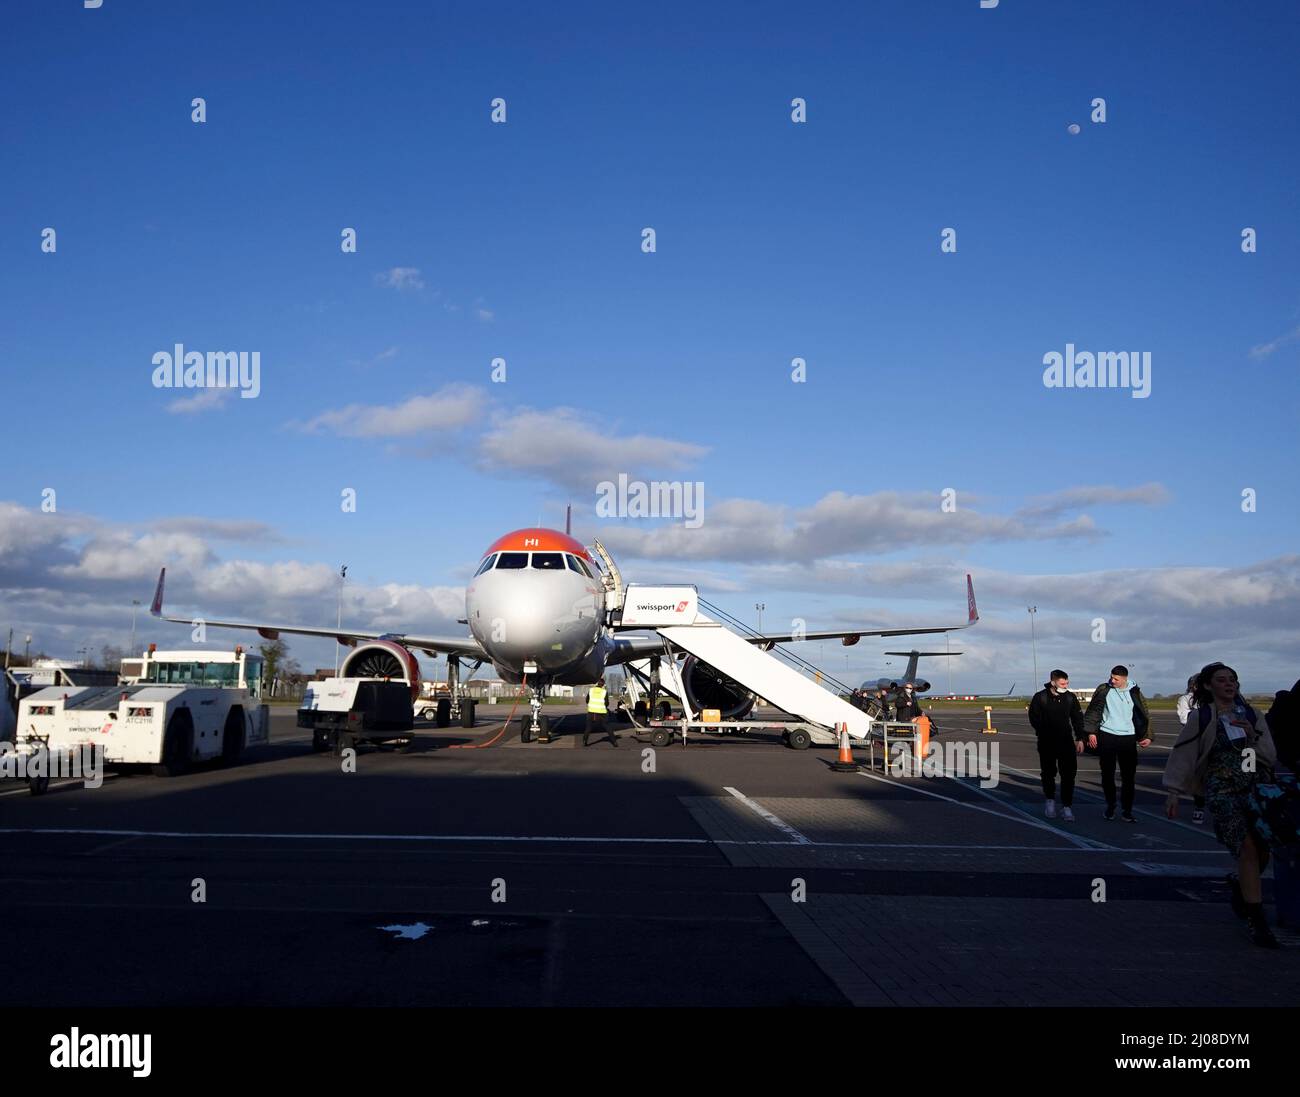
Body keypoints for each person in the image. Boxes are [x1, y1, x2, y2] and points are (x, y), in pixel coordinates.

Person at [1163, 663, 1280, 948]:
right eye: (1222, 680)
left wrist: (1252, 737)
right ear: (1207, 686)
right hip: (1223, 791)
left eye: (1233, 680)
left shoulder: (1253, 714)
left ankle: (1242, 889)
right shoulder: (1202, 717)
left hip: (1256, 790)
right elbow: (1185, 754)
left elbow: (1269, 756)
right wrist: (1174, 791)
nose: (1229, 684)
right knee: (1247, 847)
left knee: (1263, 850)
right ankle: (1257, 918)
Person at [1082, 665, 1152, 822]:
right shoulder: (1104, 689)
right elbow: (1093, 710)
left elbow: (1144, 713)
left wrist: (1147, 735)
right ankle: (1110, 806)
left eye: (1116, 679)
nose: (1112, 681)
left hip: (1128, 737)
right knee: (1107, 774)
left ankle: (1127, 810)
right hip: (1107, 735)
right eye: (1111, 677)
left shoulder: (1135, 691)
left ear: (1125, 679)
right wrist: (1091, 732)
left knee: (1128, 776)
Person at [1028, 670, 1085, 821]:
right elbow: (1034, 718)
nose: (1065, 686)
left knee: (1068, 774)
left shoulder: (1070, 697)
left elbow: (1078, 718)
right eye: (1062, 683)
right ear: (1053, 682)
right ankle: (1050, 801)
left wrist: (1080, 738)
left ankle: (1067, 807)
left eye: (1067, 683)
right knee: (1048, 773)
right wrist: (1044, 730)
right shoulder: (1040, 697)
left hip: (1066, 742)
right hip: (1046, 742)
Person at [1176, 674, 1208, 824]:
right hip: (1196, 741)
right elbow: (1183, 718)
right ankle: (1199, 806)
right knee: (1198, 777)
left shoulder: (1211, 699)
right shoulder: (1185, 699)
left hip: (1213, 742)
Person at [583, 679, 615, 747]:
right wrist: (603, 706)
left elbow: (587, 700)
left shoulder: (591, 690)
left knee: (588, 727)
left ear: (597, 683)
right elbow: (606, 703)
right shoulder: (604, 691)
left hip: (591, 711)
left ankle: (584, 741)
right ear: (603, 684)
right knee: (607, 726)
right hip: (601, 712)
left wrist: (592, 704)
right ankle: (614, 742)